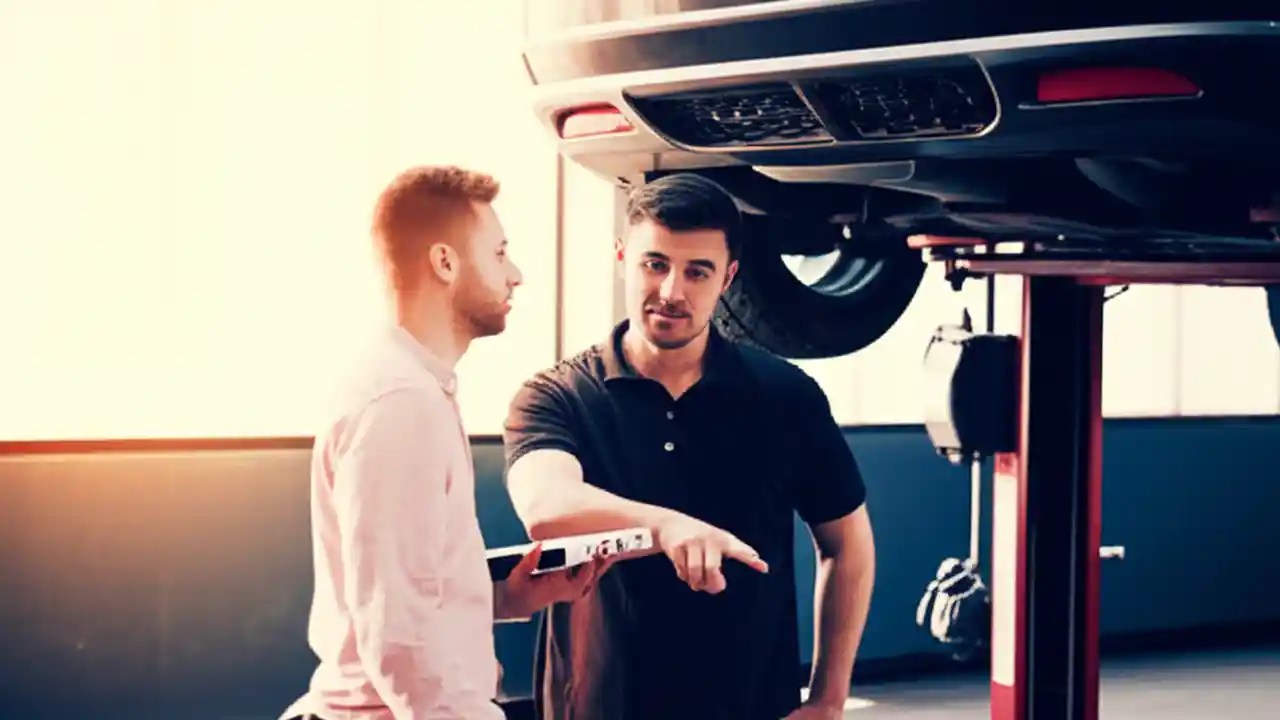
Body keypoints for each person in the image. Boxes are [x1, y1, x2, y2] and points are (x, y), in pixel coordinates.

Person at [502, 173, 877, 720]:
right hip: (597, 705)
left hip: (749, 706)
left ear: (728, 277)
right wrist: (667, 526)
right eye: (655, 264)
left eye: (697, 271)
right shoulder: (558, 395)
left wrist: (828, 698)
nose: (672, 291)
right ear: (621, 258)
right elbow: (545, 505)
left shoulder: (785, 395)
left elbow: (847, 544)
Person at [282, 165, 605, 720]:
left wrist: (505, 598)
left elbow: (402, 590)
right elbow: (397, 634)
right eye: (500, 253)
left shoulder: (408, 386)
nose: (517, 274)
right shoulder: (401, 402)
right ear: (445, 262)